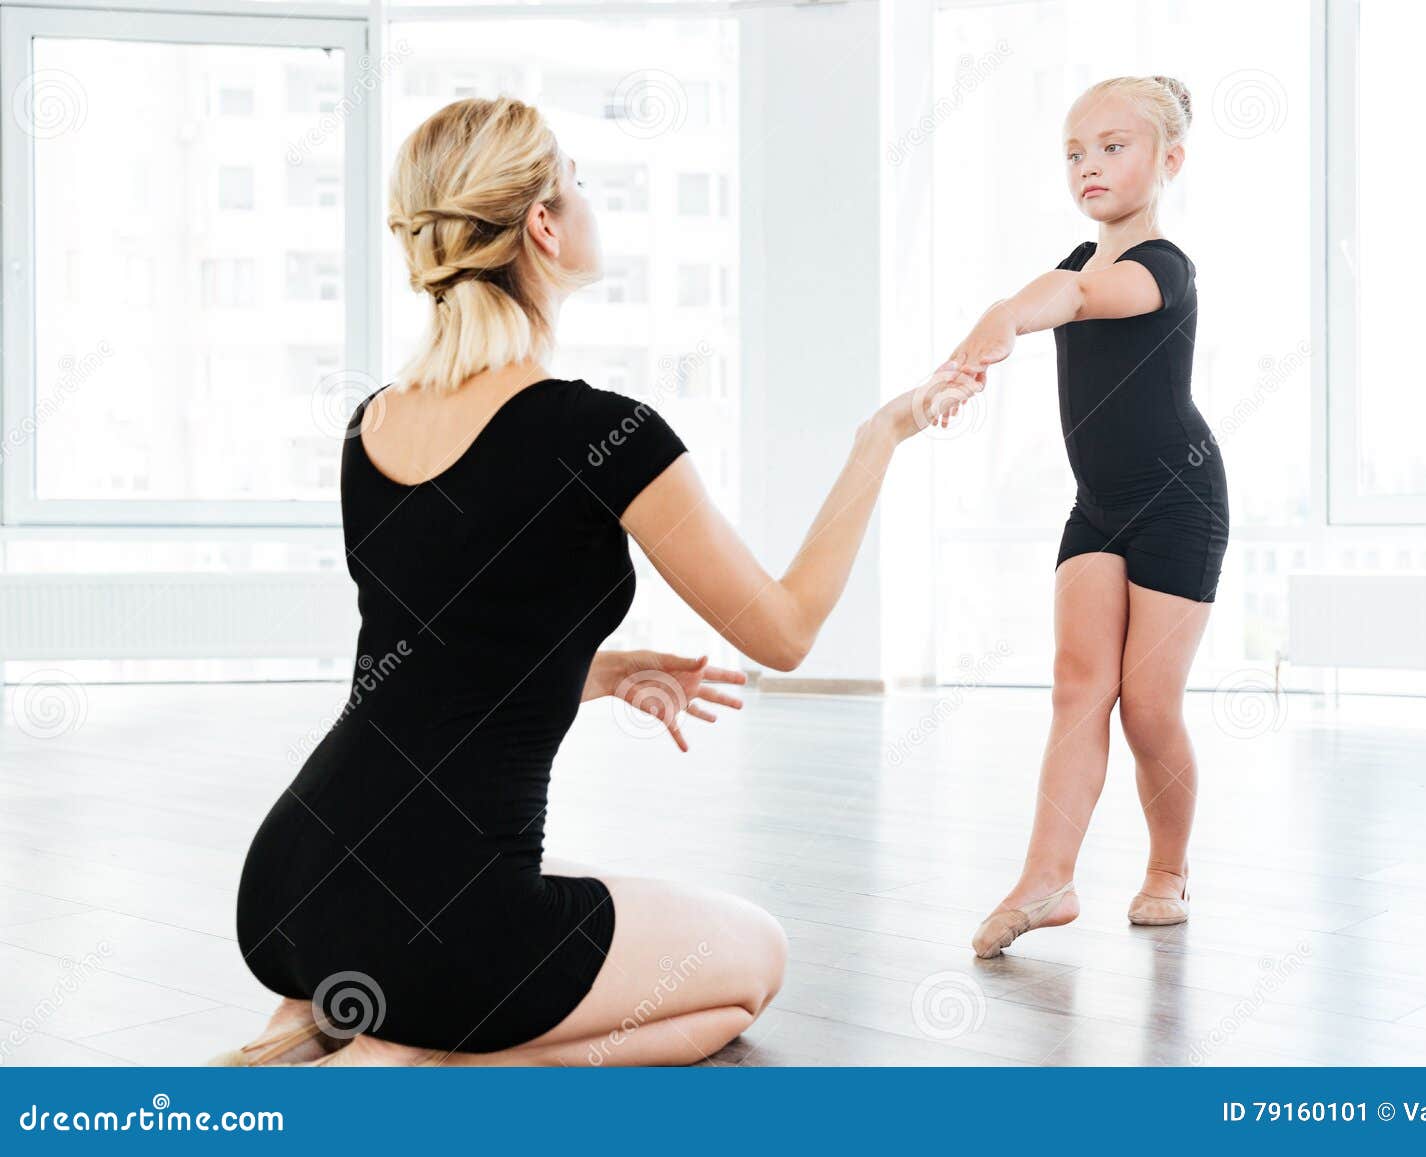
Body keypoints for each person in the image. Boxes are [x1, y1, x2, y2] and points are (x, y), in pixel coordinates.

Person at [217, 95, 979, 1067]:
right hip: (433, 929)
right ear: (541, 223)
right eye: (576, 183)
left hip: (289, 889)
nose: (584, 201)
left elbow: (437, 662)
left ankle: (332, 1019)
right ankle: (415, 1059)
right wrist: (882, 437)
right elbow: (786, 630)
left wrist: (601, 668)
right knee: (752, 959)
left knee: (523, 903)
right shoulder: (601, 434)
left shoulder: (372, 424)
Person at [945, 76, 1229, 957]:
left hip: (1181, 500)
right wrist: (985, 335)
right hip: (1098, 509)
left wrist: (1008, 317)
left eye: (1114, 147)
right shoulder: (1077, 258)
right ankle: (1048, 879)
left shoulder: (1162, 267)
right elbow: (1050, 289)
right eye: (1074, 151)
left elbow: (1069, 303)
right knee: (1077, 687)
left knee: (1147, 707)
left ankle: (1169, 867)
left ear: (1169, 160)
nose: (1089, 165)